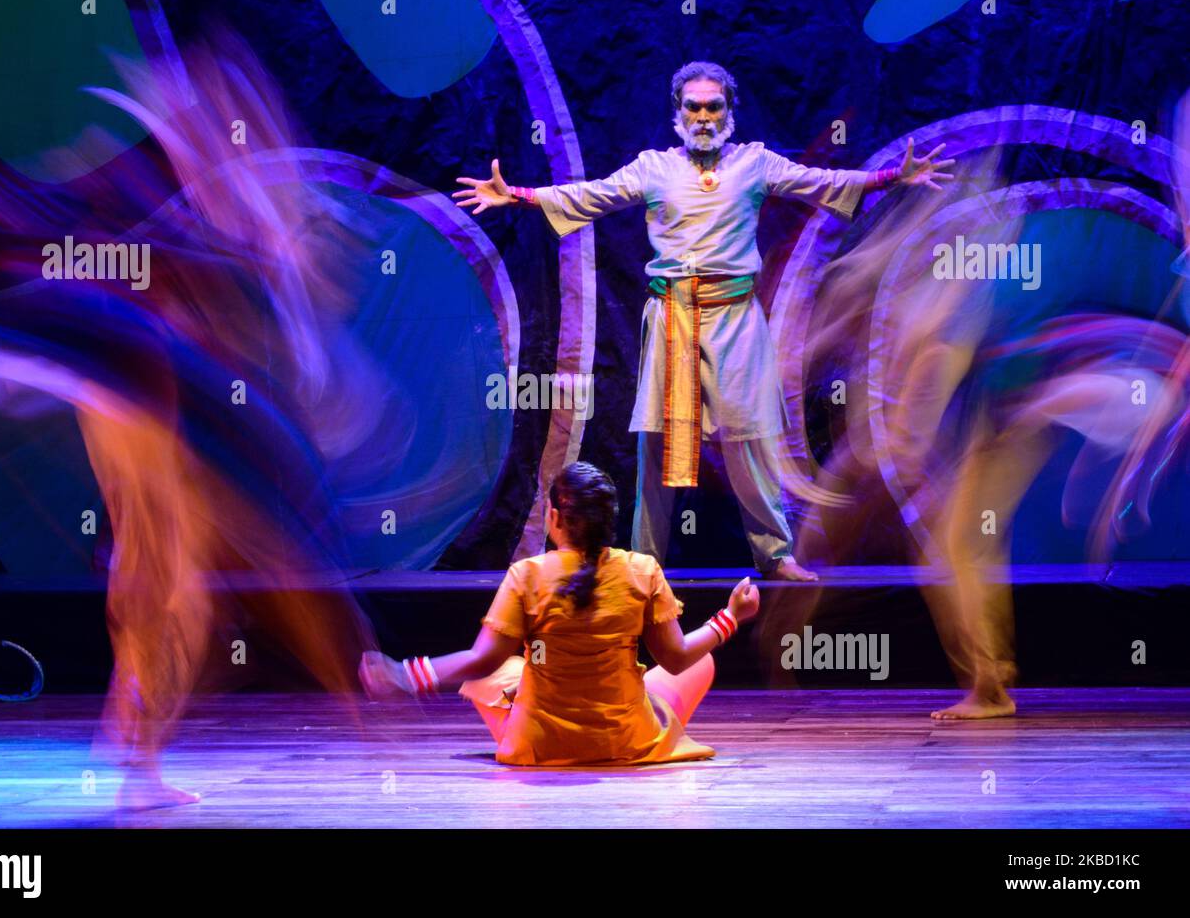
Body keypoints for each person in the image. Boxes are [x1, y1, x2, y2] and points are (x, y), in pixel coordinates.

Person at [453, 61, 953, 581]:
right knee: (656, 443)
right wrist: (518, 195)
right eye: (693, 106)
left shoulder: (754, 163)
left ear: (729, 111)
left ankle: (775, 556)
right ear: (678, 112)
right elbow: (592, 194)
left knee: (750, 438)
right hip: (673, 317)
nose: (704, 116)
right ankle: (646, 561)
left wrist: (893, 177)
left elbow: (822, 182)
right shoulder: (653, 168)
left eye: (714, 106)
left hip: (735, 318)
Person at [359, 461, 760, 765]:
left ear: (553, 517)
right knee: (701, 661)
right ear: (609, 520)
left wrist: (405, 675)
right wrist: (730, 617)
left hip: (539, 745)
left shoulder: (527, 574)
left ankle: (541, 734)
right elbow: (676, 658)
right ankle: (623, 733)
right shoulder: (642, 570)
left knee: (500, 670)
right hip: (626, 741)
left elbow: (482, 660)